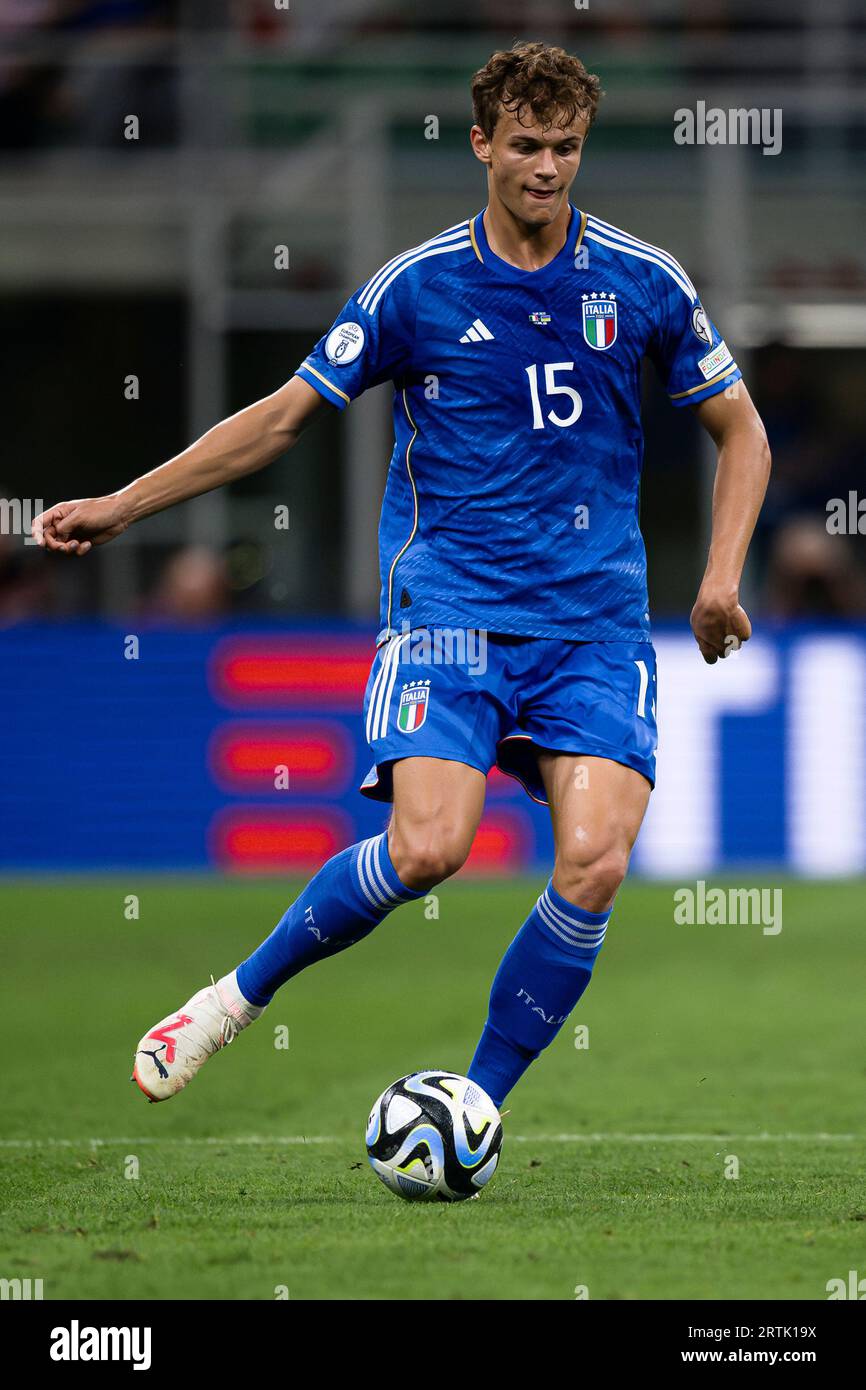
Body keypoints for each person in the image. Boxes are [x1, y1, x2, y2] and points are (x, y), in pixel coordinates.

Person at [33, 41, 770, 1114]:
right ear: (480, 143)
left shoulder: (641, 281)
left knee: (595, 864)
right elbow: (281, 420)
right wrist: (121, 503)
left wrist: (716, 579)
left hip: (593, 624)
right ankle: (232, 999)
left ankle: (469, 1107)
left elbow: (739, 431)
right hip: (452, 611)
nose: (545, 169)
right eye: (524, 146)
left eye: (564, 148)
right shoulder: (415, 289)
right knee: (428, 849)